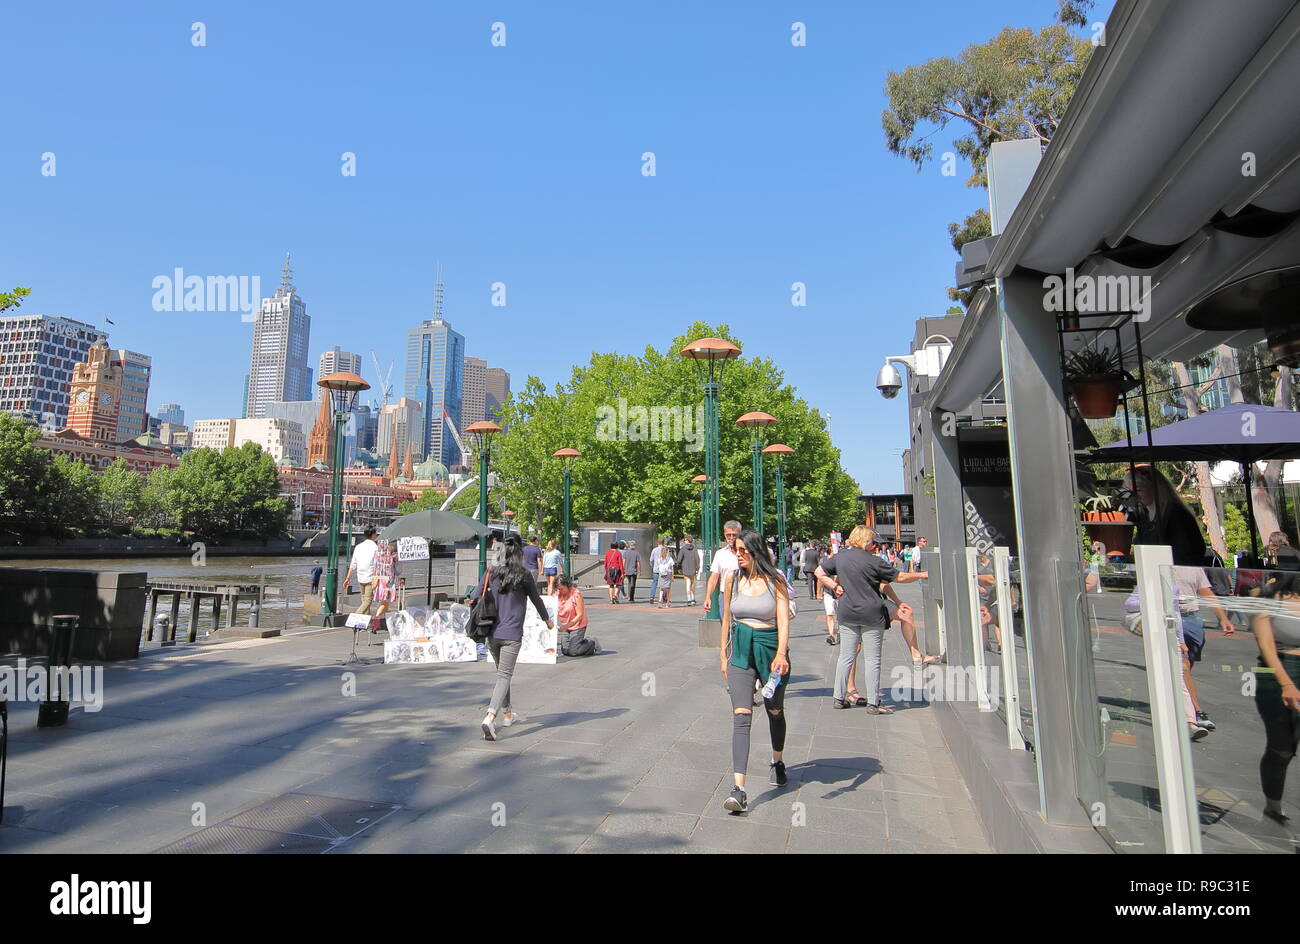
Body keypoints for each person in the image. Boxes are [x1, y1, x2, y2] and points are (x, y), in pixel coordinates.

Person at [719, 529, 792, 814]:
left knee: (775, 709)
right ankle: (739, 789)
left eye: (741, 550)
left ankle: (777, 760)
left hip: (770, 650)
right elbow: (727, 616)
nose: (737, 554)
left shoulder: (777, 581)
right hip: (740, 651)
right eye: (735, 550)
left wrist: (782, 654)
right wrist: (723, 654)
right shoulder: (732, 578)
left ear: (755, 551)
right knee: (741, 715)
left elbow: (784, 621)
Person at [818, 525, 927, 712]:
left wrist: (834, 586)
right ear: (867, 541)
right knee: (872, 659)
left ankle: (838, 697)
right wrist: (921, 574)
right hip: (871, 613)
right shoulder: (874, 561)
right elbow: (899, 577)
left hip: (847, 611)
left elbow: (819, 572)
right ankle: (873, 703)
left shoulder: (840, 557)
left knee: (845, 656)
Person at [480, 535, 554, 741]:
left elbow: (476, 594)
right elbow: (537, 600)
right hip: (512, 634)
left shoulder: (492, 572)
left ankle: (507, 714)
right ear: (520, 553)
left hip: (492, 632)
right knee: (504, 676)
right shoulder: (524, 575)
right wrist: (547, 620)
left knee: (503, 674)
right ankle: (490, 716)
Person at [1251, 571, 1300, 824]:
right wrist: (1287, 684)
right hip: (1279, 671)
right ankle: (1273, 806)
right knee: (1282, 748)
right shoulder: (1268, 596)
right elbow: (1266, 646)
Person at [1172, 564, 1233, 737]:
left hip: (1192, 618)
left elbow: (1206, 593)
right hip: (1172, 618)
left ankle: (1183, 705)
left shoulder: (1193, 568)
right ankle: (1194, 713)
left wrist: (1222, 618)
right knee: (1182, 666)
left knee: (1187, 667)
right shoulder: (1159, 563)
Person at [1125, 465, 1205, 565]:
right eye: (1130, 491)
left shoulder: (1176, 515)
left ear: (1155, 487)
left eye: (1139, 490)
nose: (1134, 496)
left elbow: (1186, 555)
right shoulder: (1144, 518)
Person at [703, 521, 743, 615]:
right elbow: (713, 578)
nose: (731, 538)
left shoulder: (747, 552)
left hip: (743, 594)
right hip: (725, 594)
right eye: (728, 535)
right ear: (724, 535)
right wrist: (708, 597)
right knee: (725, 624)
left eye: (734, 535)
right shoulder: (720, 554)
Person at [556, 577, 599, 656]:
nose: (560, 591)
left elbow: (579, 615)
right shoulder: (558, 594)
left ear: (568, 586)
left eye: (562, 589)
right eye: (558, 589)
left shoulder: (576, 594)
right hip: (566, 626)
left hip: (578, 625)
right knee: (565, 651)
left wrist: (566, 626)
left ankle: (591, 643)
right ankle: (579, 643)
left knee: (573, 652)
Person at [343, 527, 380, 615]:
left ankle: (366, 625)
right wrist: (376, 578)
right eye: (375, 533)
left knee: (364, 601)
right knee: (367, 601)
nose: (376, 535)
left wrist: (348, 578)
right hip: (370, 578)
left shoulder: (358, 546)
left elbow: (353, 564)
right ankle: (354, 617)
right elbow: (376, 564)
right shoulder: (375, 547)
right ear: (373, 535)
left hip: (360, 577)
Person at [819, 542, 838, 645]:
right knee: (829, 613)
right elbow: (820, 577)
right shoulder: (824, 560)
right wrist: (818, 592)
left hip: (841, 591)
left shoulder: (842, 560)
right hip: (828, 591)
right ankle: (831, 634)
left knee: (840, 614)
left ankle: (839, 632)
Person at [676, 535, 701, 606]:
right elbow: (697, 559)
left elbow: (679, 559)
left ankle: (689, 599)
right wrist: (697, 568)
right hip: (693, 568)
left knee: (688, 583)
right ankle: (693, 599)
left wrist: (679, 568)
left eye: (684, 540)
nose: (684, 541)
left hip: (685, 568)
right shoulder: (694, 549)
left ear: (686, 540)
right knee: (693, 583)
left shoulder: (683, 549)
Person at [648, 537, 670, 603]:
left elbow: (651, 560)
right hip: (664, 570)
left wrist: (653, 566)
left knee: (654, 583)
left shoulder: (654, 550)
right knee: (664, 584)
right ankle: (664, 597)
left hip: (656, 569)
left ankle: (652, 596)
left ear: (657, 542)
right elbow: (668, 559)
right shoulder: (666, 550)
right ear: (663, 542)